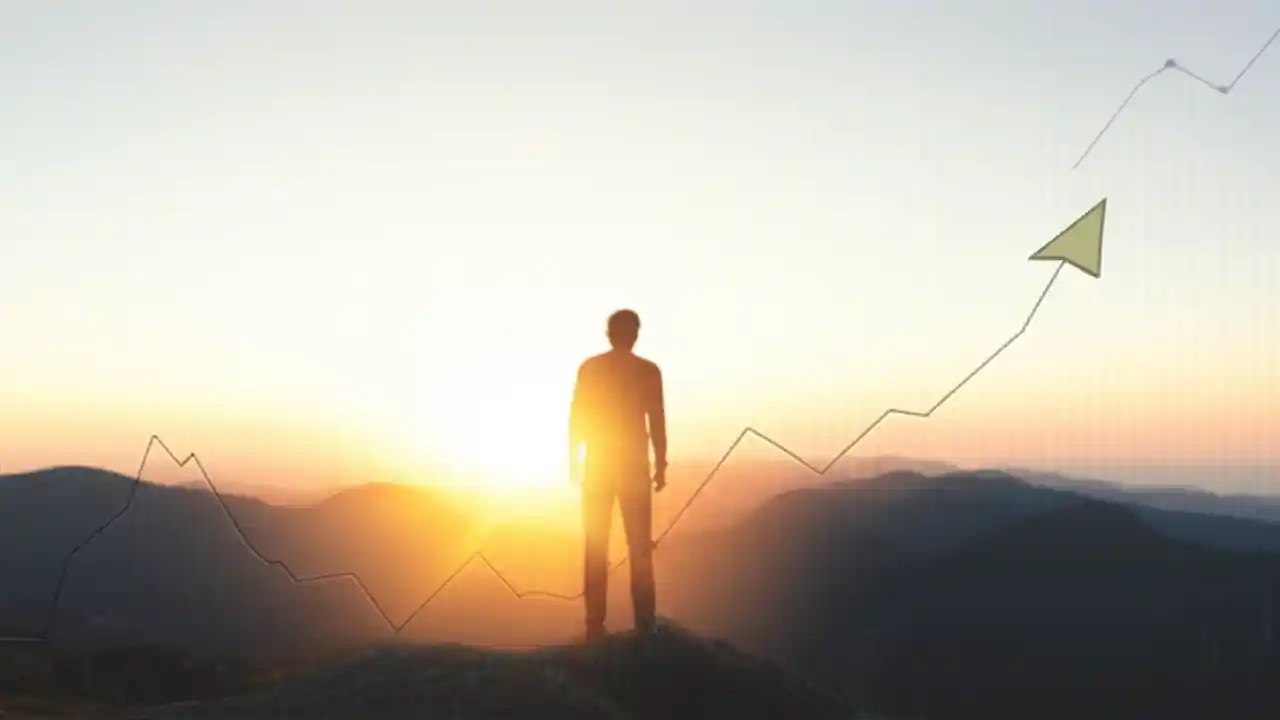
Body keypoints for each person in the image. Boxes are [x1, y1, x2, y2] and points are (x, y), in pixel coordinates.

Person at [569, 309, 667, 641]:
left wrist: (573, 459)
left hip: (597, 466)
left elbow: (577, 416)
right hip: (634, 468)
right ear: (635, 334)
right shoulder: (647, 371)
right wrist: (662, 463)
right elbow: (656, 419)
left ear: (608, 333)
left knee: (595, 545)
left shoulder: (590, 369)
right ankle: (645, 623)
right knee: (640, 547)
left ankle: (594, 624)